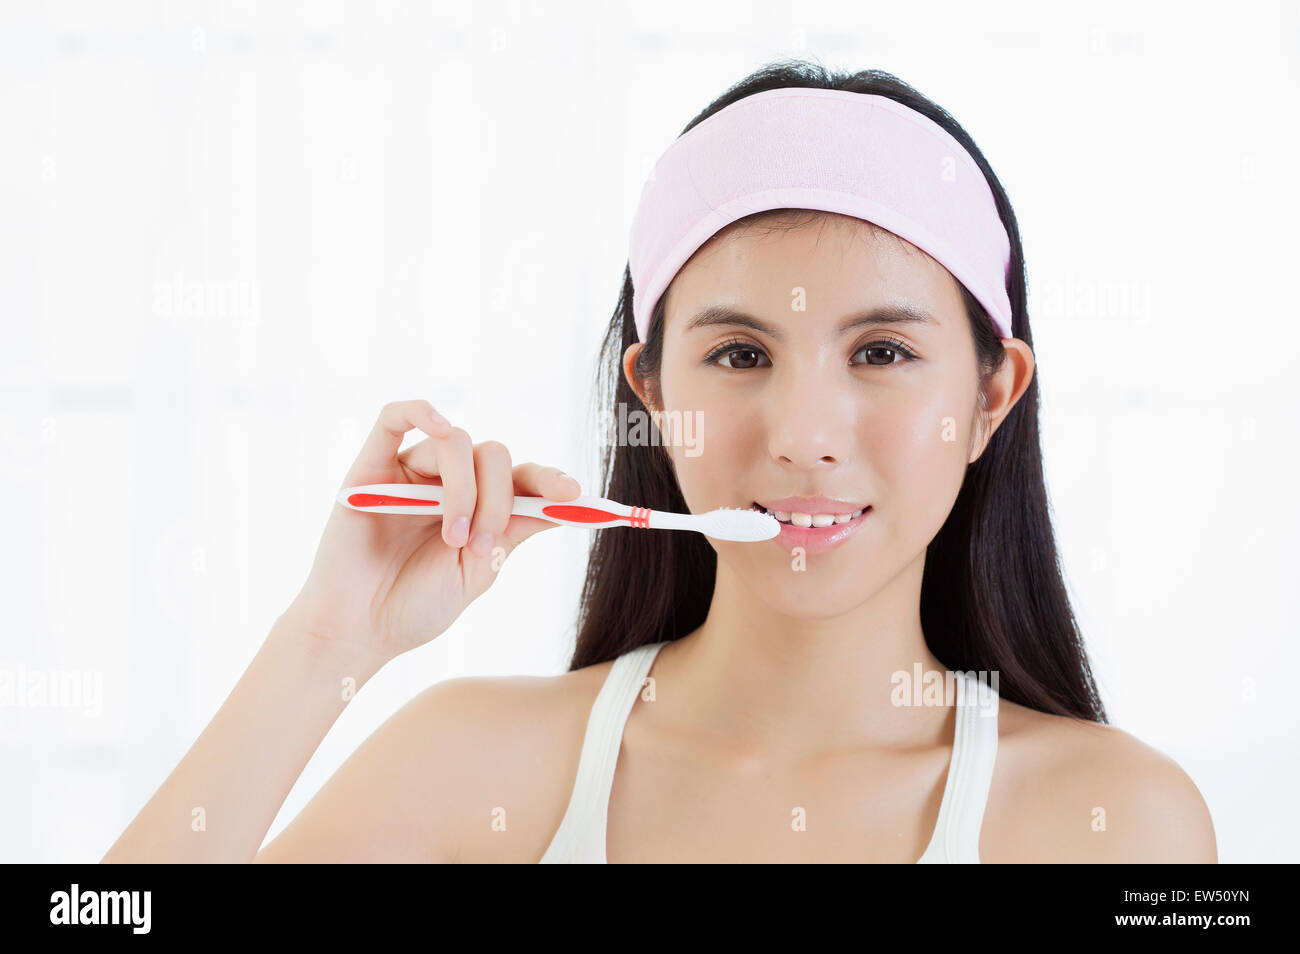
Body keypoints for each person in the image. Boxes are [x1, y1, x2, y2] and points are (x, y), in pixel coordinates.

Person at [103, 60, 1216, 863]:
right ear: (654, 392)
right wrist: (324, 646)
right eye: (738, 353)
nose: (801, 433)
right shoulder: (471, 768)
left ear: (988, 398)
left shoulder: (1114, 820)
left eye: (881, 351)